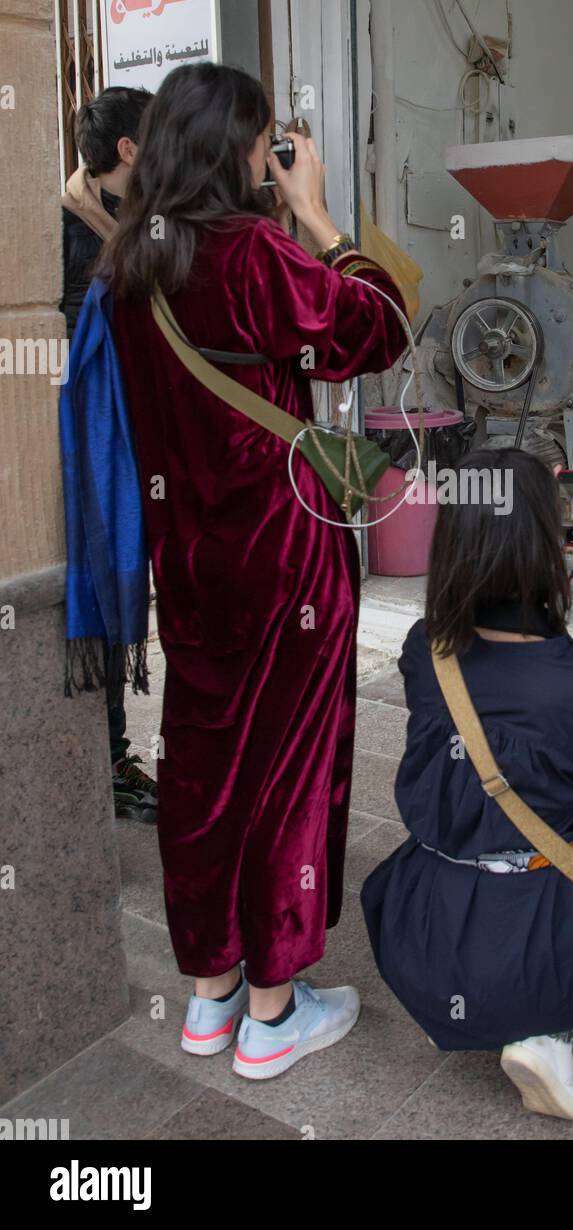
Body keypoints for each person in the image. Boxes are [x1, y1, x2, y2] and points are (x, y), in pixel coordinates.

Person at [100, 63, 409, 1079]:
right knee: (286, 770)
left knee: (201, 765)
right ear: (239, 148)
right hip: (284, 556)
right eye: (265, 142)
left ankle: (210, 993)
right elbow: (380, 329)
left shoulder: (128, 266)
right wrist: (318, 215)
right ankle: (273, 1011)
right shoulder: (255, 256)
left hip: (185, 559)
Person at [361, 449, 573, 1120]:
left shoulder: (422, 649)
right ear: (545, 547)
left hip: (418, 935)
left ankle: (524, 1012)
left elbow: (507, 660)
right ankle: (546, 1028)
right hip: (533, 953)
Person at [60, 86, 158, 820]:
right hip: (94, 454)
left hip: (137, 444)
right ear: (127, 150)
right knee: (99, 583)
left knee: (122, 588)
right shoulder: (66, 234)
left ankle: (116, 757)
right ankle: (109, 761)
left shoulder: (127, 221)